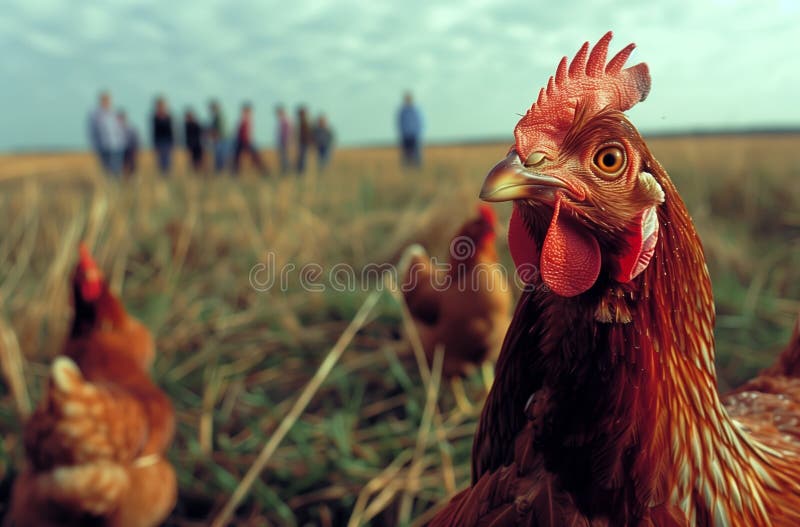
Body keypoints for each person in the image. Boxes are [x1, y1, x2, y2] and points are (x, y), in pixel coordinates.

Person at [88, 91, 126, 177]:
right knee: (106, 169)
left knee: (116, 168)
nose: (106, 102)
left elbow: (121, 129)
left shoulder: (114, 113)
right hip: (103, 146)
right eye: (104, 100)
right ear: (100, 101)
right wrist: (95, 145)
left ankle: (116, 186)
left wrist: (122, 141)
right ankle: (109, 186)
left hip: (116, 145)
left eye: (108, 100)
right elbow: (92, 131)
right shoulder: (95, 115)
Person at [232, 102, 268, 176]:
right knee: (239, 158)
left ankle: (263, 171)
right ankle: (235, 173)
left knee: (255, 158)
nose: (245, 112)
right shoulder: (245, 120)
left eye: (246, 110)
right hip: (243, 141)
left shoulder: (246, 120)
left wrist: (246, 141)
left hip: (246, 142)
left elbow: (247, 133)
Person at [397, 91, 423, 167]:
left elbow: (420, 121)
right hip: (405, 135)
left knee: (416, 153)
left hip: (414, 134)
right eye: (407, 99)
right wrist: (402, 131)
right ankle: (406, 168)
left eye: (409, 99)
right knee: (406, 153)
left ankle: (417, 168)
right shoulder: (402, 111)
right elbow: (399, 122)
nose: (408, 100)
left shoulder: (416, 110)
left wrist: (418, 131)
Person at [151, 96, 174, 176]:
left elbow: (172, 131)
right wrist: (154, 144)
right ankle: (162, 175)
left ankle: (167, 174)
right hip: (159, 141)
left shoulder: (168, 117)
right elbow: (154, 132)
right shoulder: (155, 117)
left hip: (167, 141)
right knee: (159, 161)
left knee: (167, 160)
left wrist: (173, 143)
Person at [208, 99, 228, 173]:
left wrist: (214, 136)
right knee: (219, 156)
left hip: (221, 139)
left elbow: (219, 130)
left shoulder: (218, 117)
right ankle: (219, 171)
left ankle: (220, 171)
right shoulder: (217, 117)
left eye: (212, 108)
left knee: (220, 156)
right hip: (220, 139)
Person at [117, 110, 139, 177]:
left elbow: (135, 138)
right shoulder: (115, 128)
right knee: (122, 164)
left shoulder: (130, 127)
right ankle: (124, 177)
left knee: (132, 163)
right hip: (120, 149)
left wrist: (136, 147)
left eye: (121, 118)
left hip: (130, 148)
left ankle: (133, 176)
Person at [275, 105, 292, 175]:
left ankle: (286, 170)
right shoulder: (282, 120)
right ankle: (285, 170)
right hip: (282, 142)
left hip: (284, 142)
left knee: (284, 157)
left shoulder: (285, 120)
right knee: (283, 157)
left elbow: (287, 133)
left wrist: (286, 141)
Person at [296, 105, 313, 175]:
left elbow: (309, 134)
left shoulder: (306, 122)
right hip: (302, 143)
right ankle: (300, 171)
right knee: (301, 157)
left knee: (303, 158)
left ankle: (302, 172)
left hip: (304, 143)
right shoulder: (303, 122)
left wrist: (310, 142)